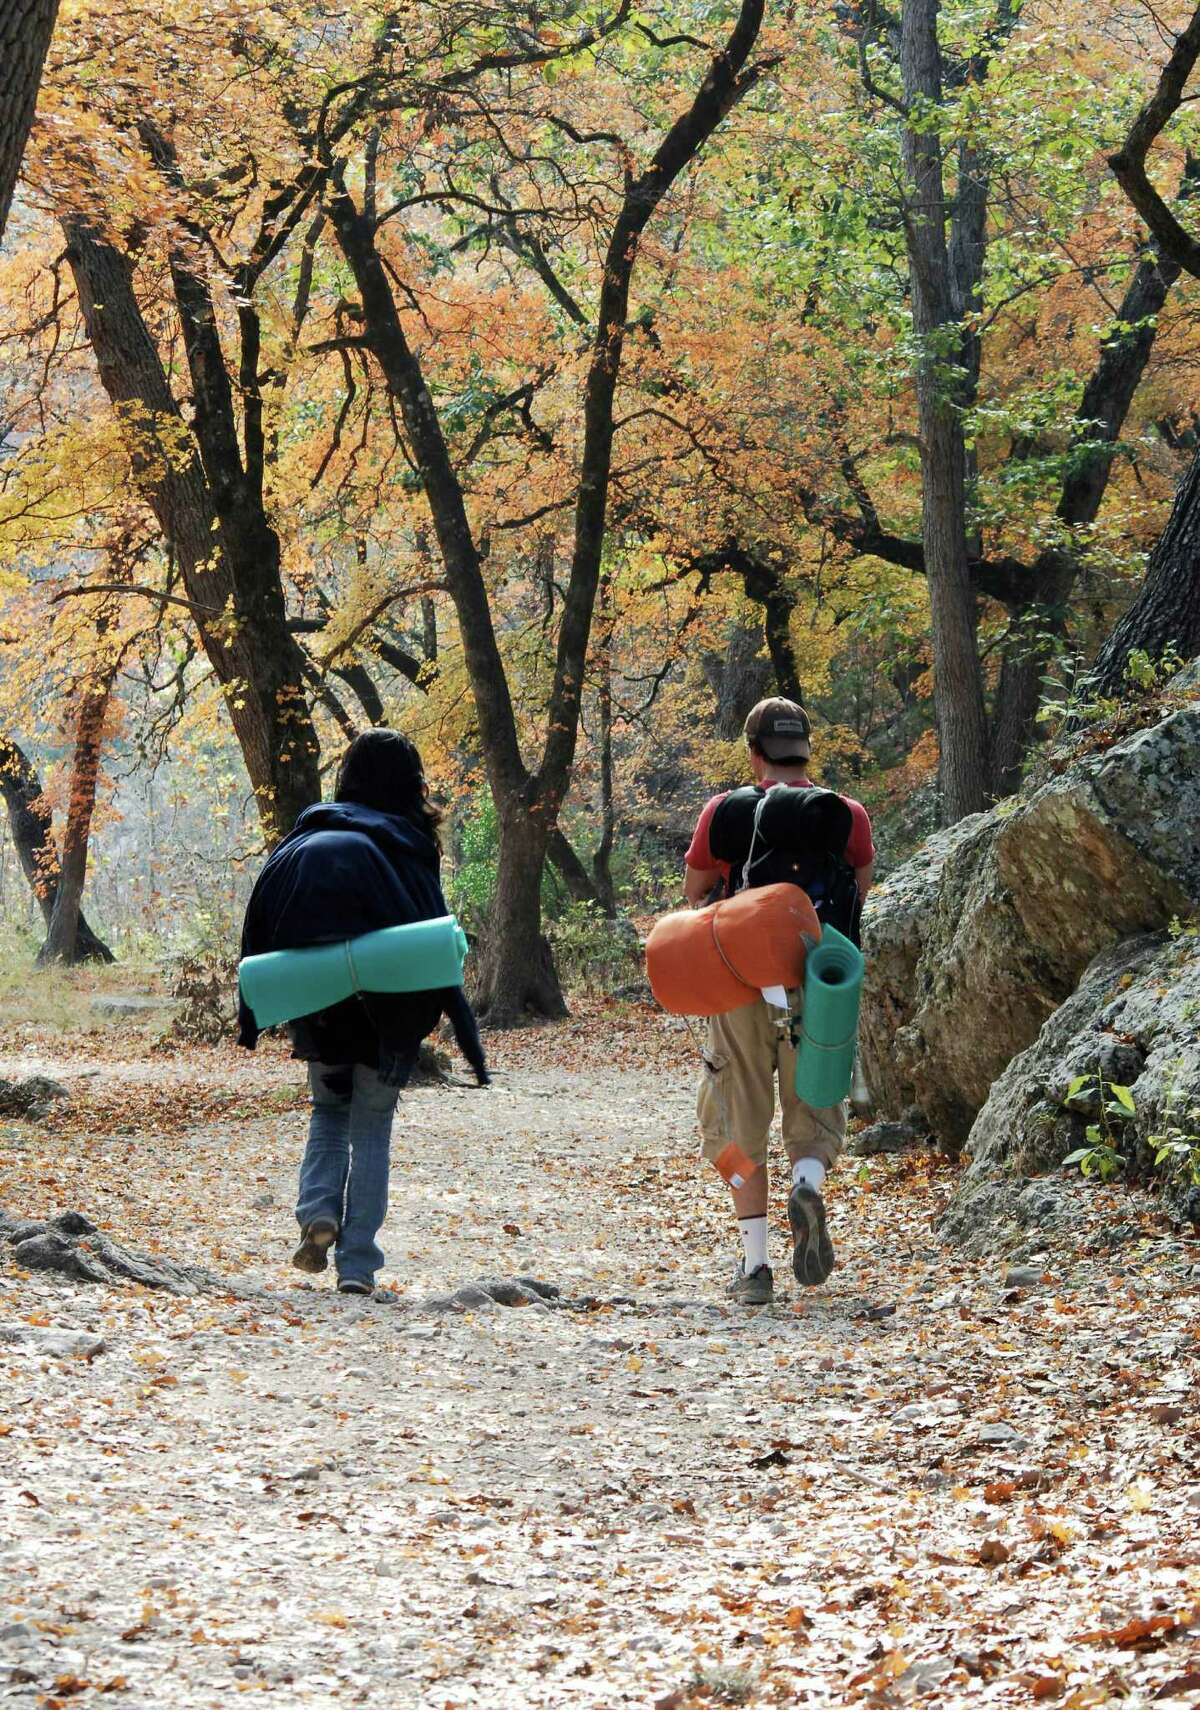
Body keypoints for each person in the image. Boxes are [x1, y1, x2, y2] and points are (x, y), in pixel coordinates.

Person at [238, 729, 489, 1298]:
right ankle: (358, 1267)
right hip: (388, 1020)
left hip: (320, 1009)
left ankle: (318, 1213)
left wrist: (256, 1012)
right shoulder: (408, 843)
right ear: (409, 784)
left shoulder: (305, 837)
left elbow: (260, 927)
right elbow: (436, 943)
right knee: (372, 1125)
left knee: (328, 1112)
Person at [683, 698, 874, 1305]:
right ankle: (808, 1182)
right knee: (812, 1102)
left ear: (753, 753)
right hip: (818, 985)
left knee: (733, 1116)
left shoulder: (723, 813)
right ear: (806, 751)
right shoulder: (847, 816)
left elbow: (695, 898)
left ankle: (756, 1264)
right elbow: (857, 899)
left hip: (737, 984)